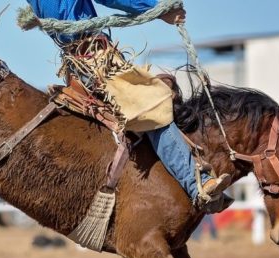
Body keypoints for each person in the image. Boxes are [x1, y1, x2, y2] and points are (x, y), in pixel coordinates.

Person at [27, 0, 232, 212]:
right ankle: (196, 184)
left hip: (83, 59)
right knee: (150, 106)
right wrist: (159, 8)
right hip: (94, 61)